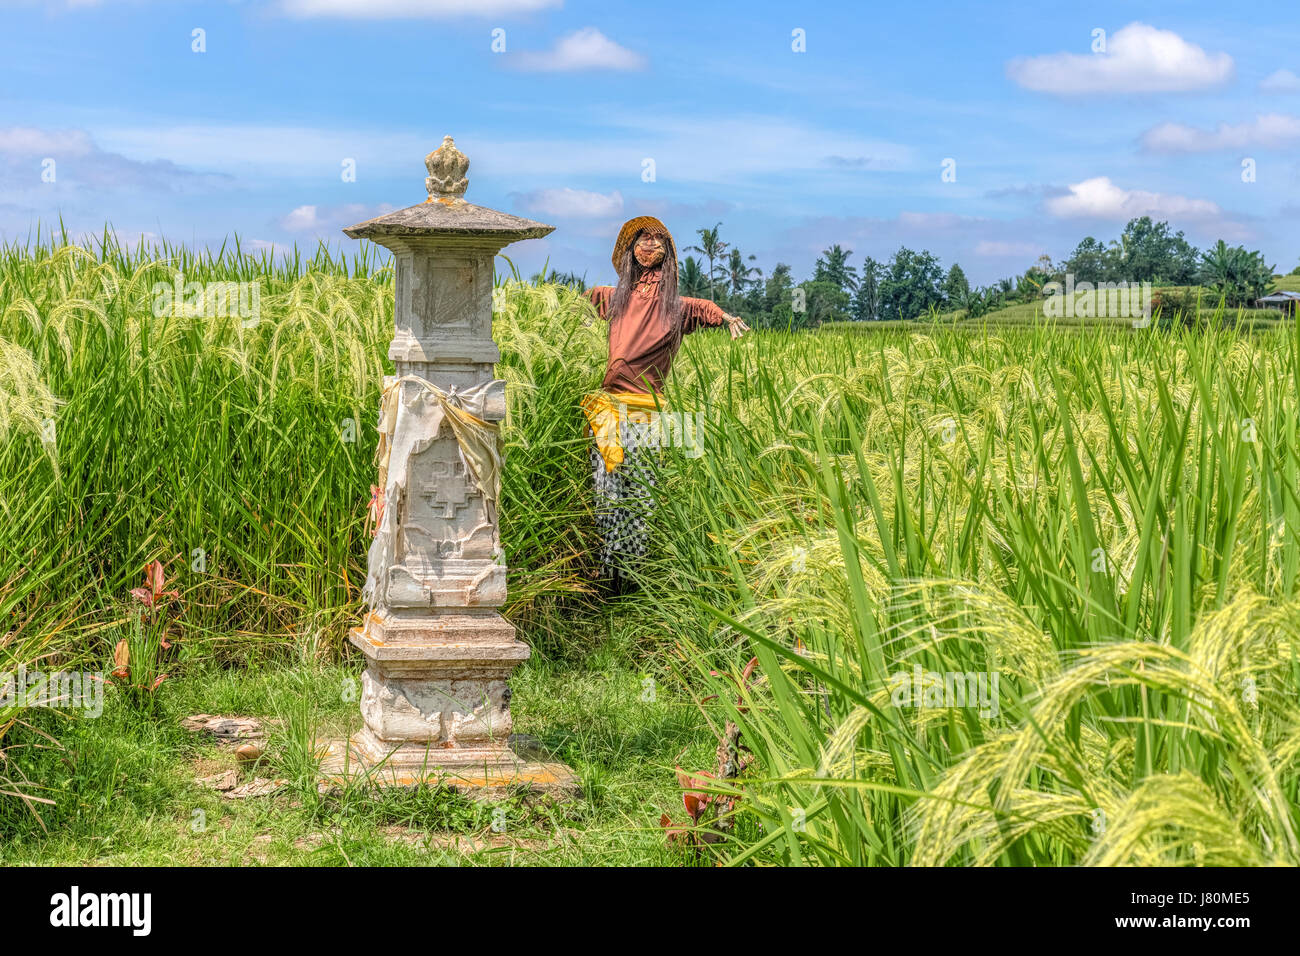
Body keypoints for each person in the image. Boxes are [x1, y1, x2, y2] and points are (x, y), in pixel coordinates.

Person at [580, 216, 750, 593]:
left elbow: (705, 308)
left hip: (647, 414)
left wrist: (727, 318)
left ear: (668, 254)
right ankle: (609, 577)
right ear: (630, 250)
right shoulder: (614, 297)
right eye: (642, 239)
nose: (649, 246)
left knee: (640, 498)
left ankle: (633, 582)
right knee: (607, 494)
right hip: (608, 409)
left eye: (658, 241)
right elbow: (579, 305)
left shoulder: (676, 306)